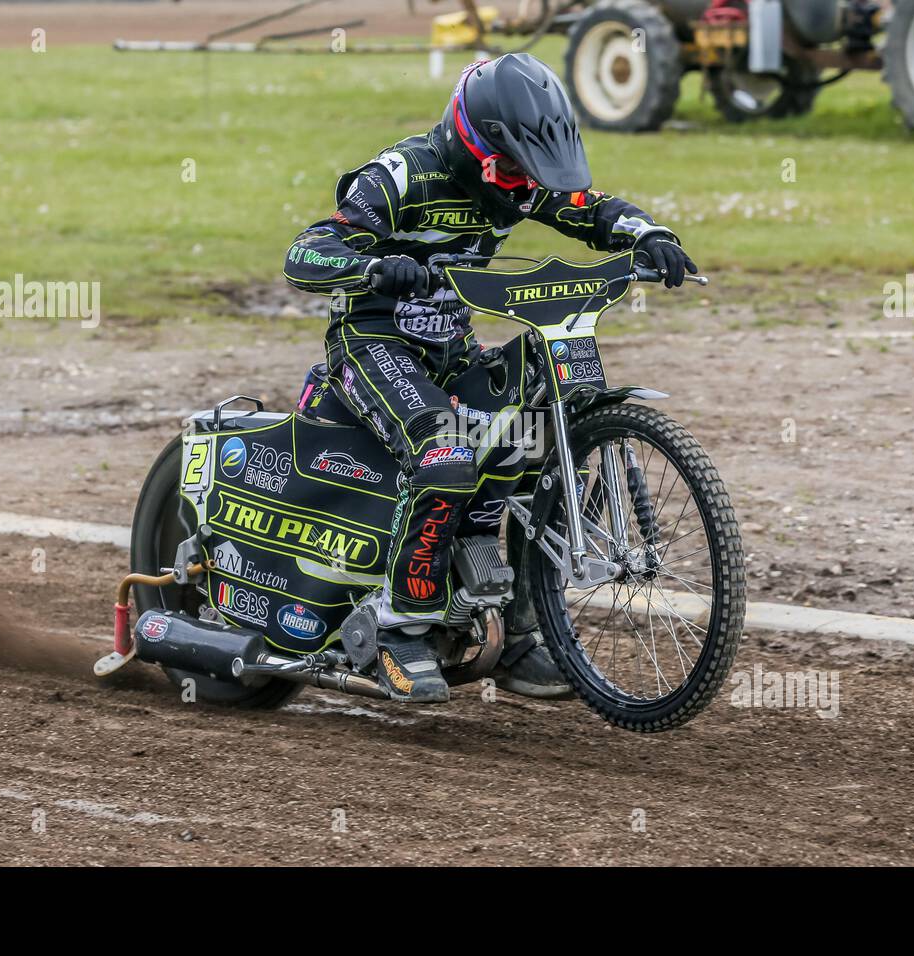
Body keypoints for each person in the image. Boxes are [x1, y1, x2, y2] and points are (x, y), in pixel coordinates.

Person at [283, 53, 696, 702]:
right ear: (468, 143)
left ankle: (526, 632)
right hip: (373, 343)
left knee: (546, 431)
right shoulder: (402, 174)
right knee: (446, 456)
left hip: (451, 349)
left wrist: (650, 235)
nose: (519, 189)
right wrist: (370, 270)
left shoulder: (522, 184)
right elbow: (306, 251)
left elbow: (588, 207)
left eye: (529, 177)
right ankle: (400, 627)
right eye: (508, 172)